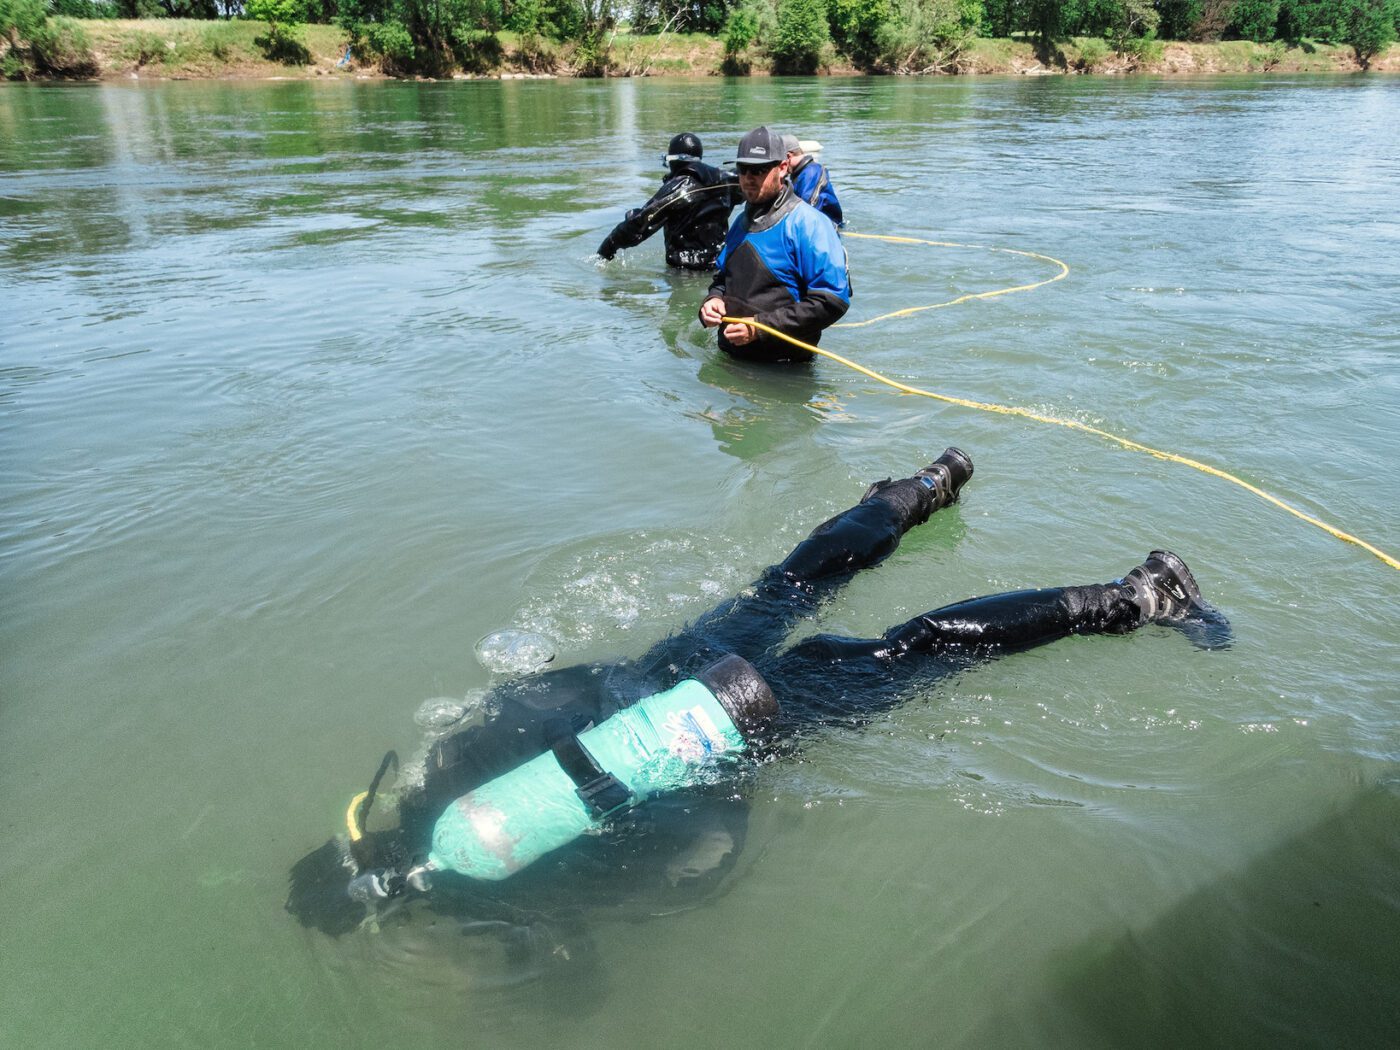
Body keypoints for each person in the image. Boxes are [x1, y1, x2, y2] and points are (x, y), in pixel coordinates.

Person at [286, 447, 1230, 946]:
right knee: (791, 583)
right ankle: (921, 487)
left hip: (721, 723)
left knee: (924, 648)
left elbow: (671, 862)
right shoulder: (440, 775)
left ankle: (1143, 597)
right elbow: (538, 692)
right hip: (666, 670)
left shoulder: (500, 879)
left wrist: (732, 787)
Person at [699, 126, 852, 364]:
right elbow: (721, 280)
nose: (749, 178)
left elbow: (831, 301)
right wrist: (712, 301)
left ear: (782, 168)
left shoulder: (809, 224)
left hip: (784, 371)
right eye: (743, 169)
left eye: (758, 170)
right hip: (730, 365)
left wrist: (760, 327)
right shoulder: (740, 223)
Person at [596, 132, 743, 271]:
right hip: (720, 266)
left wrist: (607, 247)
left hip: (684, 272)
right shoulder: (727, 182)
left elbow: (641, 222)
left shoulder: (679, 188)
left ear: (674, 162)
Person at [784, 134, 842, 227]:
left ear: (788, 156)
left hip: (829, 228)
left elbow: (806, 210)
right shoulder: (799, 173)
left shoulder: (812, 173)